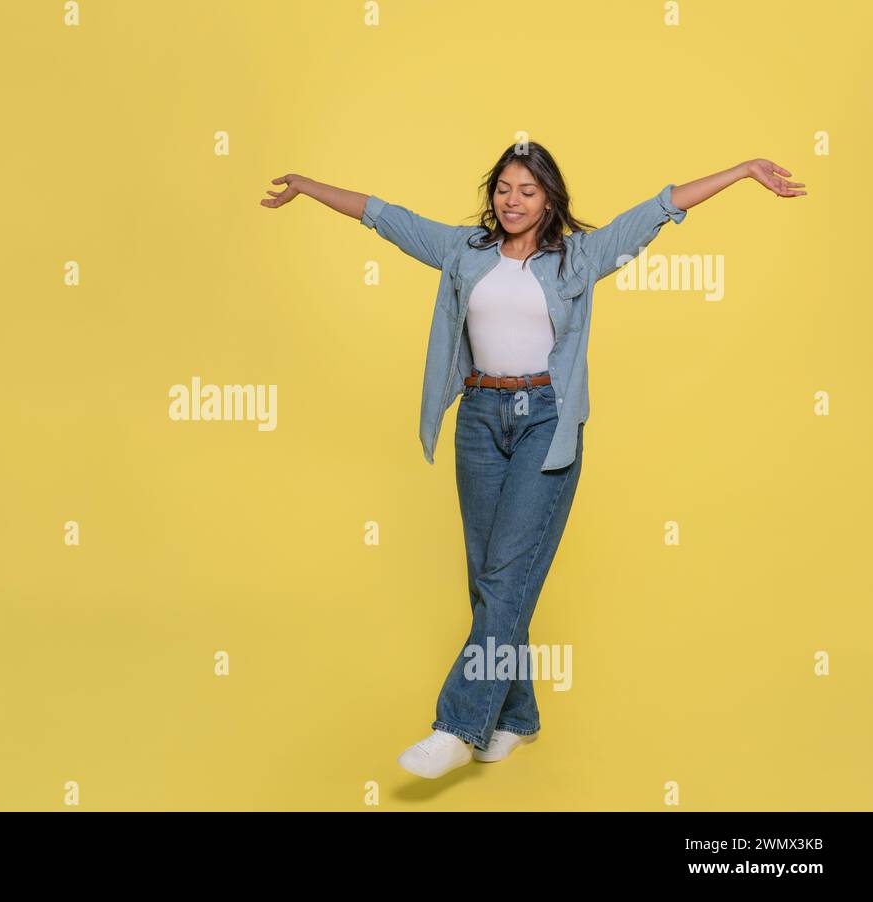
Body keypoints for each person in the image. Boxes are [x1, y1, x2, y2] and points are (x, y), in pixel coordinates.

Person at [260, 144, 805, 779]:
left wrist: (740, 172)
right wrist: (306, 184)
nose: (512, 200)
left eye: (526, 190)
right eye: (503, 188)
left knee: (504, 579)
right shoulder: (464, 251)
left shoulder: (580, 256)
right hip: (479, 418)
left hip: (546, 419)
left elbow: (658, 208)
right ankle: (516, 717)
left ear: (549, 198)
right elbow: (384, 215)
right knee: (487, 576)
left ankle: (457, 725)